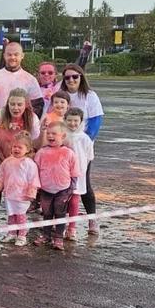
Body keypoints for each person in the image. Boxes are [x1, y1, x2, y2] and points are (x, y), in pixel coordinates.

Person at [0, 87, 42, 224]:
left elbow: (33, 142)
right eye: (12, 104)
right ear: (7, 104)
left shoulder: (32, 119)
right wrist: (2, 158)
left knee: (20, 181)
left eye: (19, 104)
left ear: (26, 105)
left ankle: (21, 213)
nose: (15, 107)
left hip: (22, 156)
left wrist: (23, 160)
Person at [33, 121, 82, 250]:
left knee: (60, 214)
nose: (50, 136)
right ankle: (46, 235)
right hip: (45, 189)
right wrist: (36, 188)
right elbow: (35, 170)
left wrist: (72, 187)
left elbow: (74, 171)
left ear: (63, 136)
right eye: (48, 133)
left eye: (54, 133)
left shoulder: (69, 153)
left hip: (63, 189)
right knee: (47, 213)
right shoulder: (41, 152)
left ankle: (59, 237)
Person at [0, 134, 39, 245]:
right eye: (14, 147)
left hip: (22, 195)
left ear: (27, 149)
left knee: (21, 215)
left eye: (20, 147)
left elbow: (33, 179)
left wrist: (32, 192)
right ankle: (12, 233)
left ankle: (22, 235)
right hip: (9, 194)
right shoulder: (7, 162)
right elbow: (1, 176)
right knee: (11, 214)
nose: (16, 149)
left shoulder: (29, 164)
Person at [0, 42, 44, 118]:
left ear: (22, 55)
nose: (12, 57)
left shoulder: (31, 80)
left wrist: (24, 121)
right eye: (9, 54)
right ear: (4, 56)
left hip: (21, 126)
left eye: (16, 54)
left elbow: (38, 106)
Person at [64, 107, 95, 241]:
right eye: (70, 120)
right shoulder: (62, 136)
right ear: (65, 120)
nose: (72, 124)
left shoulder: (85, 138)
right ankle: (58, 224)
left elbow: (89, 156)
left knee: (75, 200)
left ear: (81, 121)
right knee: (62, 199)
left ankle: (72, 228)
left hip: (79, 173)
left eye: (76, 121)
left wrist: (80, 170)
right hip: (63, 173)